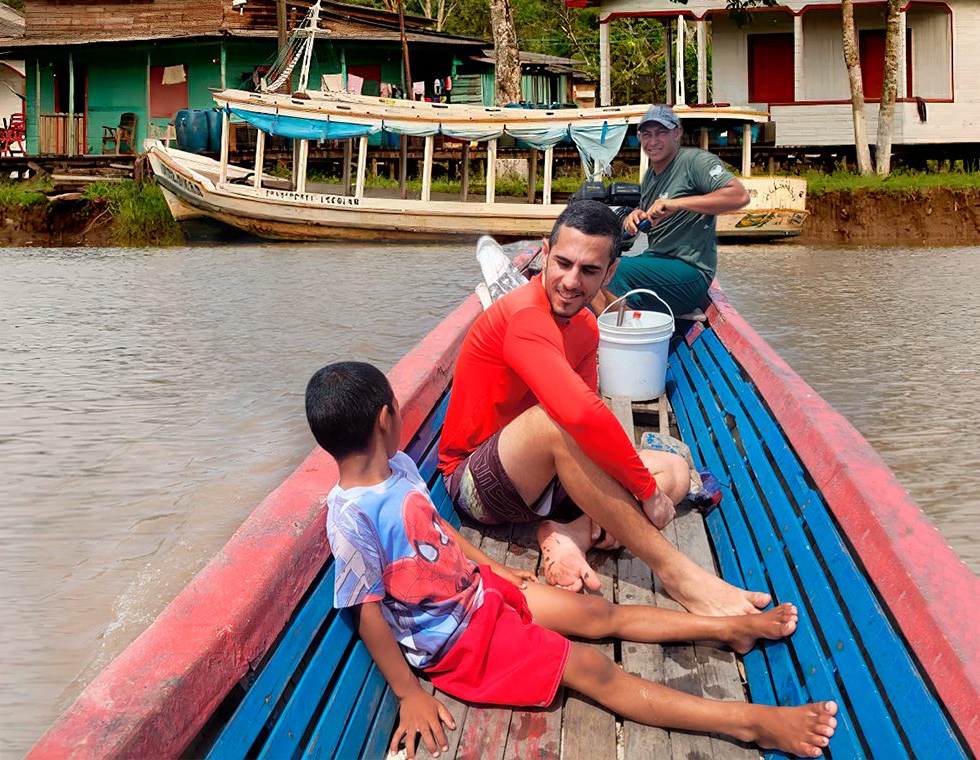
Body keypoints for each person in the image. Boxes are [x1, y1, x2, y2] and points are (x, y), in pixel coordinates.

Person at [305, 360, 837, 759]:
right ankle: (751, 723)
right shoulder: (349, 517)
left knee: (597, 615)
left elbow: (438, 528)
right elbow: (367, 610)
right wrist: (408, 693)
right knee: (592, 667)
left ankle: (731, 630)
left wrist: (487, 569)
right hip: (460, 642)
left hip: (478, 591)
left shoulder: (399, 467)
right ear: (386, 416)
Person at [439, 199, 770, 618]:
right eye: (562, 263)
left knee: (676, 472)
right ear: (544, 252)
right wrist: (643, 493)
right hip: (480, 483)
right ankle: (679, 575)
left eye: (589, 270)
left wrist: (638, 481)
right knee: (556, 423)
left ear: (610, 273)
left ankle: (571, 533)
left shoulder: (586, 327)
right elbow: (577, 415)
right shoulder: (525, 317)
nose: (570, 281)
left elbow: (590, 417)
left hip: (546, 479)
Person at [593, 104, 751, 317]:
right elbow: (652, 217)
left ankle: (629, 336)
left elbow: (739, 195)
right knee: (595, 265)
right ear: (639, 137)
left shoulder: (695, 162)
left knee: (615, 272)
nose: (653, 141)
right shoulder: (651, 175)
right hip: (657, 262)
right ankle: (610, 332)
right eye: (647, 134)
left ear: (677, 133)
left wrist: (678, 204)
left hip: (690, 272)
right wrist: (636, 215)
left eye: (661, 133)